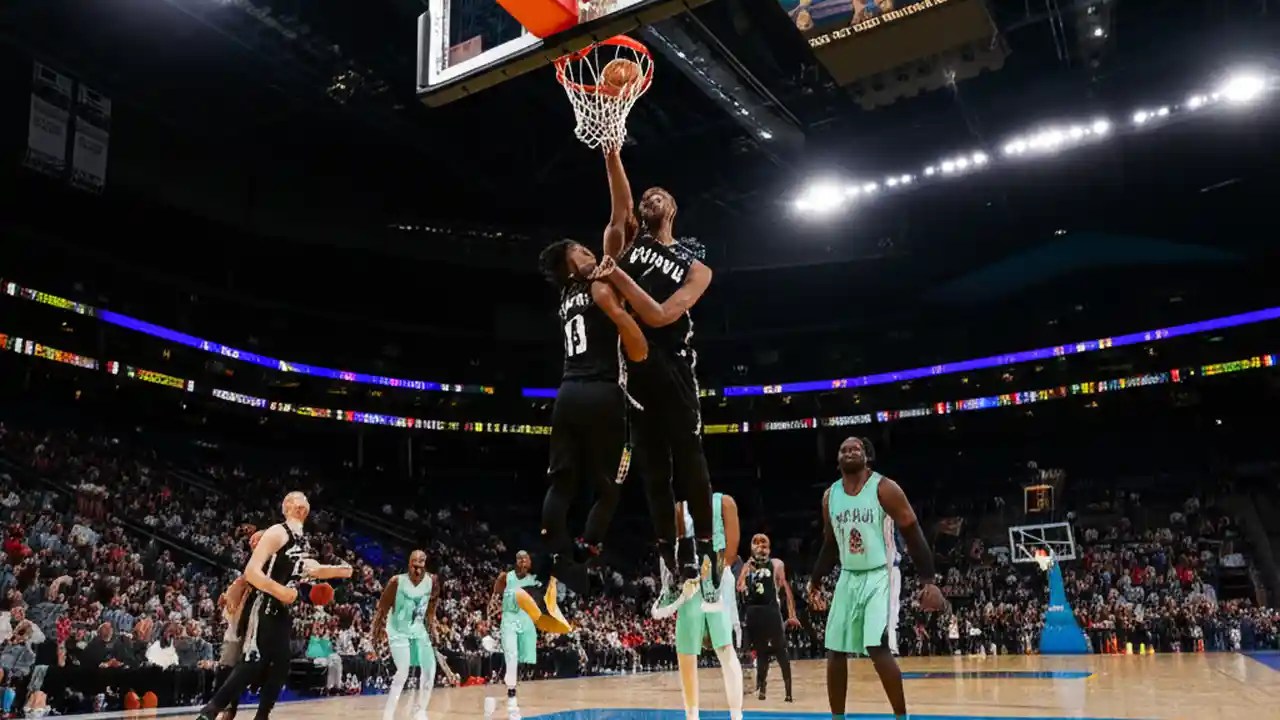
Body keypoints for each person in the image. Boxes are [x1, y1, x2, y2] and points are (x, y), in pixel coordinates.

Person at [593, 148, 720, 610]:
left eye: (659, 195)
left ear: (673, 210)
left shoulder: (696, 265)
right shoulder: (627, 243)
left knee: (691, 461)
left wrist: (620, 282)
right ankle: (670, 565)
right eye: (647, 194)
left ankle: (707, 560)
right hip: (636, 362)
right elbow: (619, 204)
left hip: (675, 364)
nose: (651, 197)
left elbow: (665, 314)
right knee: (653, 471)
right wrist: (612, 151)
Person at [533, 238, 649, 600]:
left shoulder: (566, 299)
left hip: (567, 393)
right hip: (603, 392)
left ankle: (557, 554)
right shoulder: (601, 284)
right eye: (581, 251)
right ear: (570, 266)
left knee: (561, 484)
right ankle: (588, 547)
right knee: (610, 487)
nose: (591, 254)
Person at [807, 437, 946, 720]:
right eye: (843, 449)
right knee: (834, 648)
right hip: (847, 575)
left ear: (866, 456)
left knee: (876, 645)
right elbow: (831, 544)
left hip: (879, 574)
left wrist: (928, 579)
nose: (849, 452)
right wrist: (816, 579)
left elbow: (912, 530)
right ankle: (837, 717)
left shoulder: (885, 488)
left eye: (855, 448)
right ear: (837, 459)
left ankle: (900, 715)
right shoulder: (830, 496)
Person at [196, 492, 352, 720]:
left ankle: (262, 716)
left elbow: (312, 568)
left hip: (283, 610)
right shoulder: (278, 532)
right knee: (251, 663)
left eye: (306, 502)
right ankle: (210, 712)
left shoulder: (302, 540)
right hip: (265, 605)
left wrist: (341, 571)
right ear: (286, 506)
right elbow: (251, 572)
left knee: (280, 666)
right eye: (298, 500)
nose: (303, 504)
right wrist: (282, 591)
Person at [665, 493, 743, 720]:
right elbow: (675, 542)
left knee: (725, 647)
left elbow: (731, 549)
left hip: (716, 577)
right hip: (689, 580)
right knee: (686, 651)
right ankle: (691, 715)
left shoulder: (725, 502)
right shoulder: (679, 505)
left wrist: (714, 578)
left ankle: (736, 715)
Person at [373, 549, 440, 720]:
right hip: (397, 629)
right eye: (414, 566)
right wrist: (376, 633)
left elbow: (431, 608)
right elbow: (382, 609)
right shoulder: (396, 582)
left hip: (418, 629)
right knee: (403, 671)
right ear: (409, 564)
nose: (417, 570)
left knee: (430, 668)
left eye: (420, 566)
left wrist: (433, 628)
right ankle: (388, 714)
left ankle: (420, 711)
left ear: (425, 565)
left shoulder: (432, 581)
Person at [737, 533, 799, 702]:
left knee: (781, 652)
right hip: (754, 613)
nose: (760, 546)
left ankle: (788, 693)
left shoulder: (777, 564)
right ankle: (761, 689)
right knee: (761, 654)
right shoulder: (747, 566)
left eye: (763, 543)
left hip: (771, 611)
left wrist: (792, 614)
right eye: (755, 542)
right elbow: (740, 587)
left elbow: (785, 587)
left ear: (769, 547)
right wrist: (745, 572)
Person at [212, 529, 264, 720]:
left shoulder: (267, 573)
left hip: (253, 632)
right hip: (236, 631)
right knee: (226, 669)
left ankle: (231, 709)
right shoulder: (244, 579)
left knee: (239, 673)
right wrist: (227, 599)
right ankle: (218, 707)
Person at [487, 551, 541, 720]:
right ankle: (511, 691)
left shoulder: (533, 581)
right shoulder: (505, 577)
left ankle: (510, 676)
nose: (524, 561)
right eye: (520, 558)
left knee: (523, 657)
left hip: (525, 619)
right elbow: (495, 596)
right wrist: (490, 613)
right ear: (516, 561)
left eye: (527, 559)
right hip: (509, 618)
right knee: (512, 655)